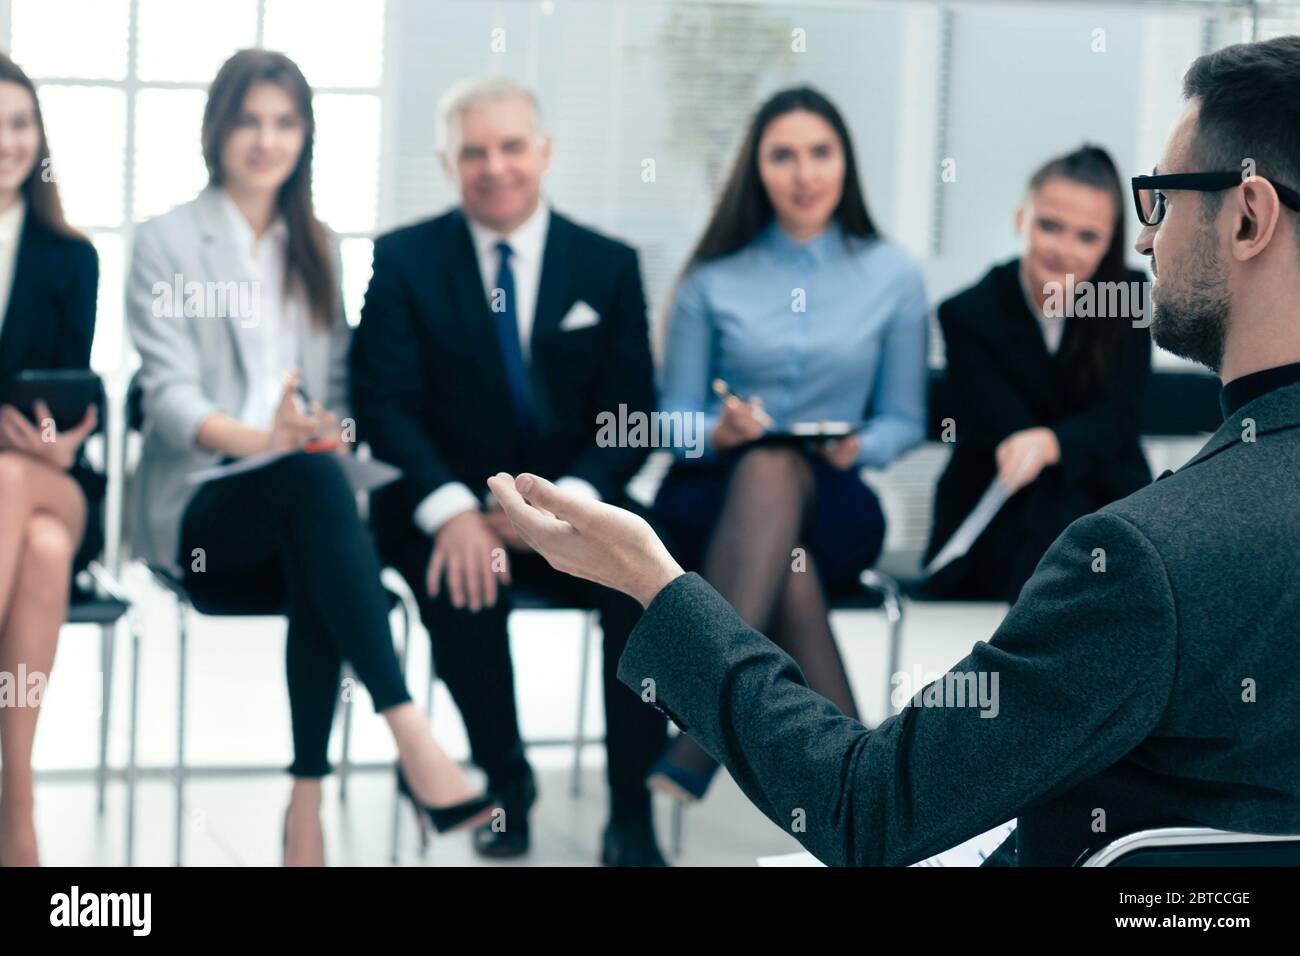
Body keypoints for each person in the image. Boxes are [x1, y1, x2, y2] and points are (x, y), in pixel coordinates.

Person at [485, 35, 1300, 866]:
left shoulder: (1138, 562)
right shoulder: (715, 279)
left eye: (1158, 199)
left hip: (825, 508)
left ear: (1246, 216)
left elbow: (866, 813)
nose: (1141, 243)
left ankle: (687, 749)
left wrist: (648, 581)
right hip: (730, 489)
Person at [126, 50, 492, 867]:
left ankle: (305, 806)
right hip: (203, 510)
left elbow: (338, 397)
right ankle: (411, 735)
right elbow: (170, 398)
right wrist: (268, 440)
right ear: (217, 129)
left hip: (302, 509)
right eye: (249, 120)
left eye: (285, 122)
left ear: (306, 136)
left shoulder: (316, 244)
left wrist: (325, 428)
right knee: (309, 491)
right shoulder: (166, 241)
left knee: (315, 521)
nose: (266, 140)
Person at [350, 75, 668, 865]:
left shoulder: (608, 265)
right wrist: (455, 510)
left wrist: (570, 509)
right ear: (448, 162)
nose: (495, 167)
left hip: (576, 501)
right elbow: (383, 405)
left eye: (512, 147)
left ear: (546, 152)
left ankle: (631, 811)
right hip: (451, 502)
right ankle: (507, 785)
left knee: (644, 587)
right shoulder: (403, 260)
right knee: (458, 575)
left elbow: (632, 412)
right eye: (474, 152)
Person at [650, 86, 927, 802]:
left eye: (819, 153)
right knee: (787, 566)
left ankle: (701, 719)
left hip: (834, 495)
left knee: (784, 500)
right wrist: (718, 431)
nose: (804, 174)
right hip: (717, 496)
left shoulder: (893, 275)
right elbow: (668, 420)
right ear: (757, 169)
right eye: (783, 156)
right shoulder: (713, 278)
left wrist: (857, 447)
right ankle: (870, 803)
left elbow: (903, 417)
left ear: (845, 163)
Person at [925, 145, 1151, 602]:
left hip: (1100, 492)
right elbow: (1001, 429)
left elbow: (1120, 418)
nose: (1064, 250)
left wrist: (1054, 443)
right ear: (1019, 220)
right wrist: (1049, 443)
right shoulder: (968, 313)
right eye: (1049, 226)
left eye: (1087, 236)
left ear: (1109, 242)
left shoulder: (1128, 297)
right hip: (1003, 508)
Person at [0, 52, 100, 867]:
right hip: (28, 523)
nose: (7, 140)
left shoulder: (72, 257)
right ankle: (19, 806)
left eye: (19, 123)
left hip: (50, 477)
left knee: (12, 484)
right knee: (40, 550)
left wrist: (57, 440)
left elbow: (70, 397)